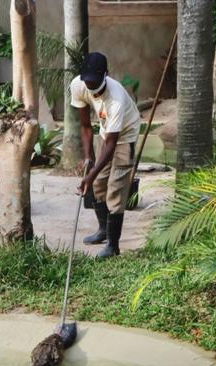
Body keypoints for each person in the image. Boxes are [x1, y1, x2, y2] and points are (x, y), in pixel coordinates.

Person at [71, 52, 142, 258]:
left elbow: (112, 146)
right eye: (87, 81)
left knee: (115, 190)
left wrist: (89, 174)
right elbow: (85, 126)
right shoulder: (78, 85)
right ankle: (103, 230)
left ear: (105, 75)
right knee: (99, 185)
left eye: (94, 81)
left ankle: (113, 245)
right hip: (106, 132)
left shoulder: (116, 99)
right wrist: (88, 158)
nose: (90, 86)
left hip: (124, 136)